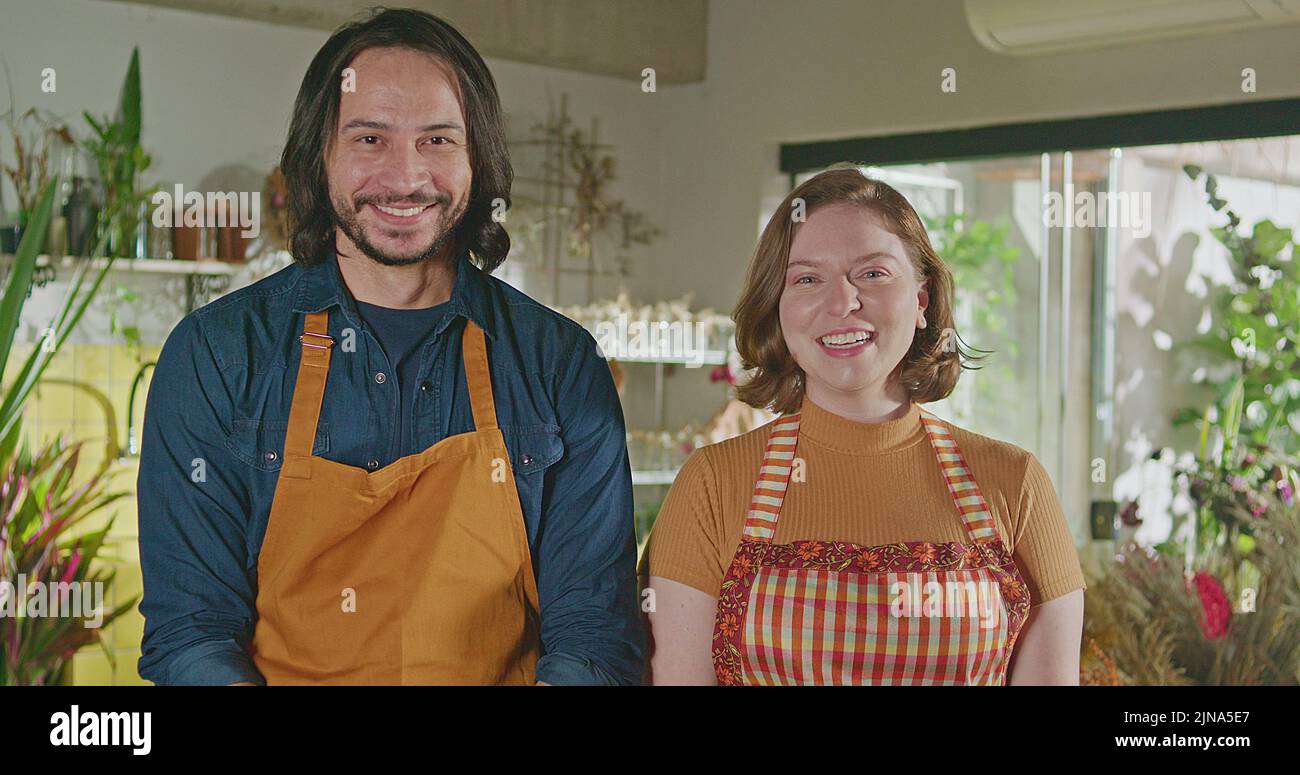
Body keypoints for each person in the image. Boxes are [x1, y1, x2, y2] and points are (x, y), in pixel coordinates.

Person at [137, 8, 644, 685]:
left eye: (437, 139)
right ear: (318, 157)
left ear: (477, 159)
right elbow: (190, 632)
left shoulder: (558, 362)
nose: (406, 177)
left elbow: (594, 636)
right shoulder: (216, 356)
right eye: (370, 137)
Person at [644, 167, 1086, 685]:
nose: (842, 303)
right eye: (808, 279)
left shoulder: (1015, 483)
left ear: (921, 300)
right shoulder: (713, 485)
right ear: (778, 309)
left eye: (873, 274)